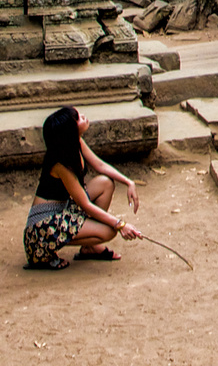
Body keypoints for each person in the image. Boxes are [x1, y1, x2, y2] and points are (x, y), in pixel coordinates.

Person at [22, 107, 143, 269]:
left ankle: (89, 247)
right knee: (109, 231)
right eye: (77, 118)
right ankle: (47, 253)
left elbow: (100, 165)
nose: (83, 117)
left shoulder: (75, 142)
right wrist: (120, 224)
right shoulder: (60, 165)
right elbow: (85, 204)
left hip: (62, 209)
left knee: (105, 183)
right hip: (41, 230)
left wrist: (129, 182)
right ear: (68, 132)